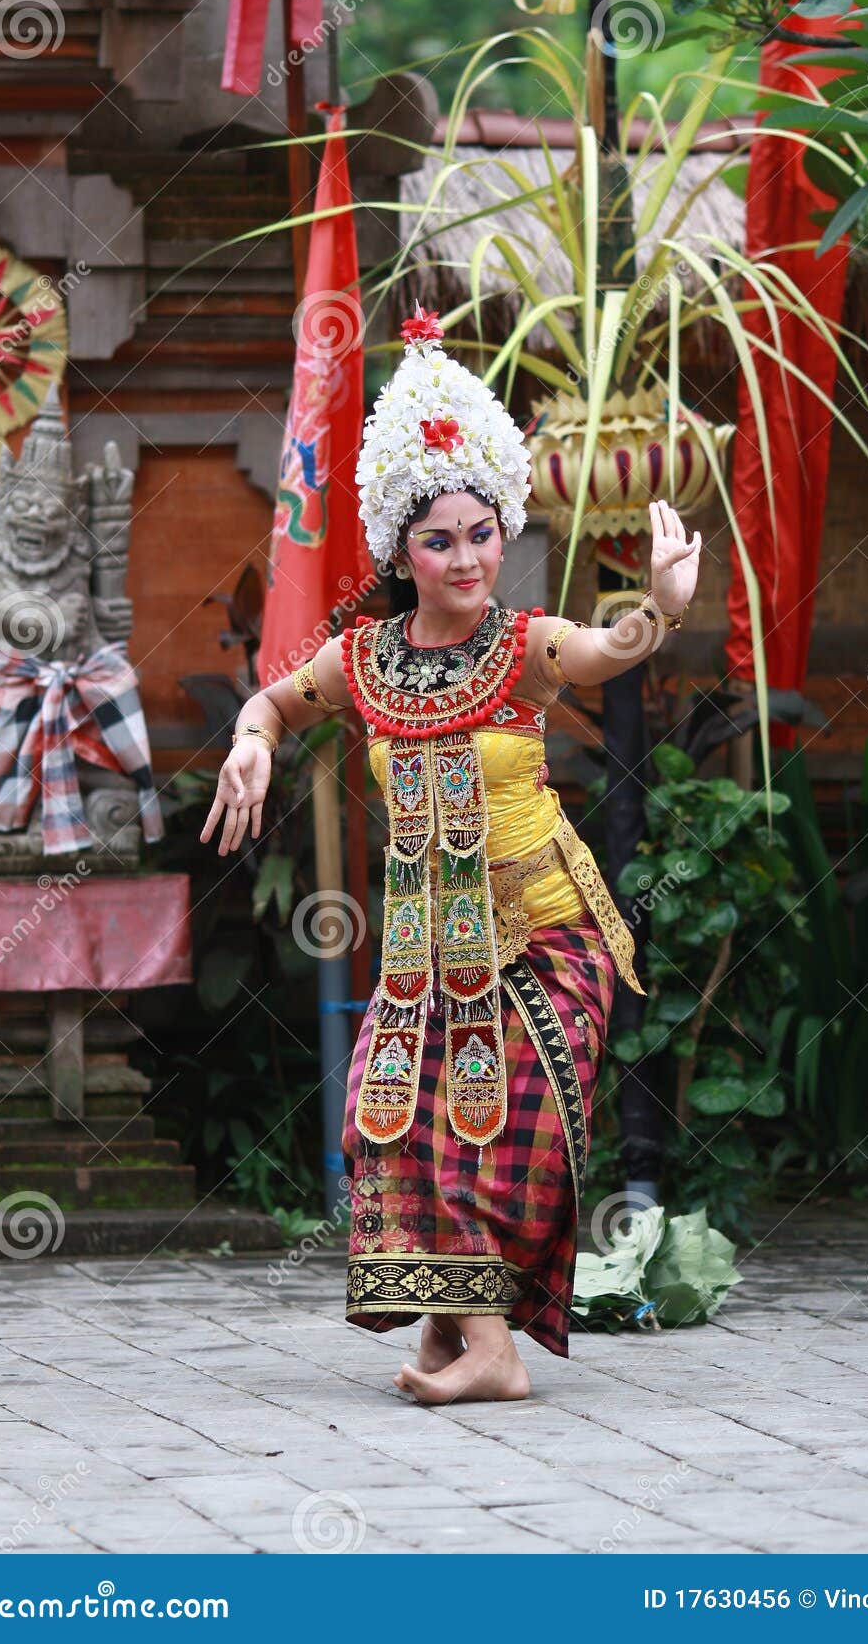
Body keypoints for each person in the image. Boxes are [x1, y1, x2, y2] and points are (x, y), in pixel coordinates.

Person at [200, 306, 701, 1406]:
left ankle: (492, 1349)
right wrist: (249, 743)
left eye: (484, 532)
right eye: (441, 540)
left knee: (483, 1120)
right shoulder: (364, 659)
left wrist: (656, 611)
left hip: (546, 935)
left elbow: (608, 650)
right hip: (428, 952)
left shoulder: (525, 647)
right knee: (384, 1115)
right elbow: (278, 703)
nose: (470, 557)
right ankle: (450, 1329)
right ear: (402, 550)